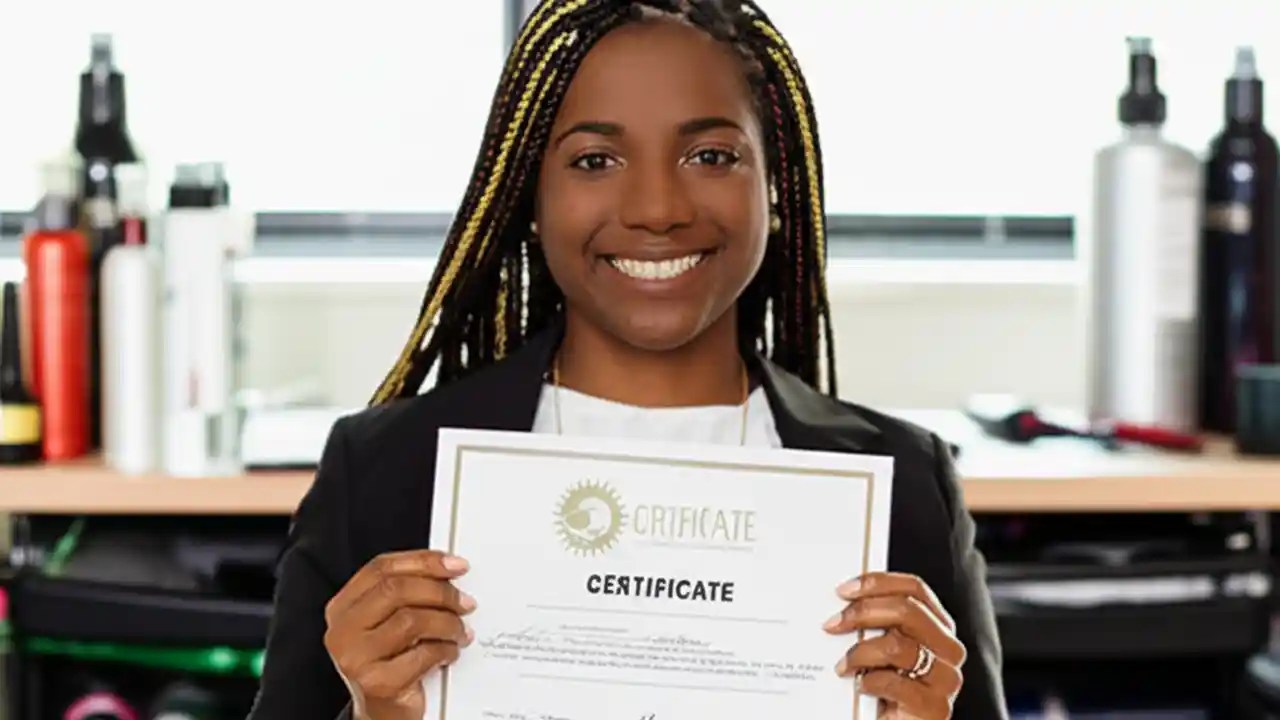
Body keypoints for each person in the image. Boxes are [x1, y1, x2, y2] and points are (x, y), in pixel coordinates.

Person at [247, 1, 1006, 718]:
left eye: (711, 155)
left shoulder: (906, 484)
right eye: (594, 160)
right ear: (529, 198)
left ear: (775, 185)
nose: (656, 208)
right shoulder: (384, 471)